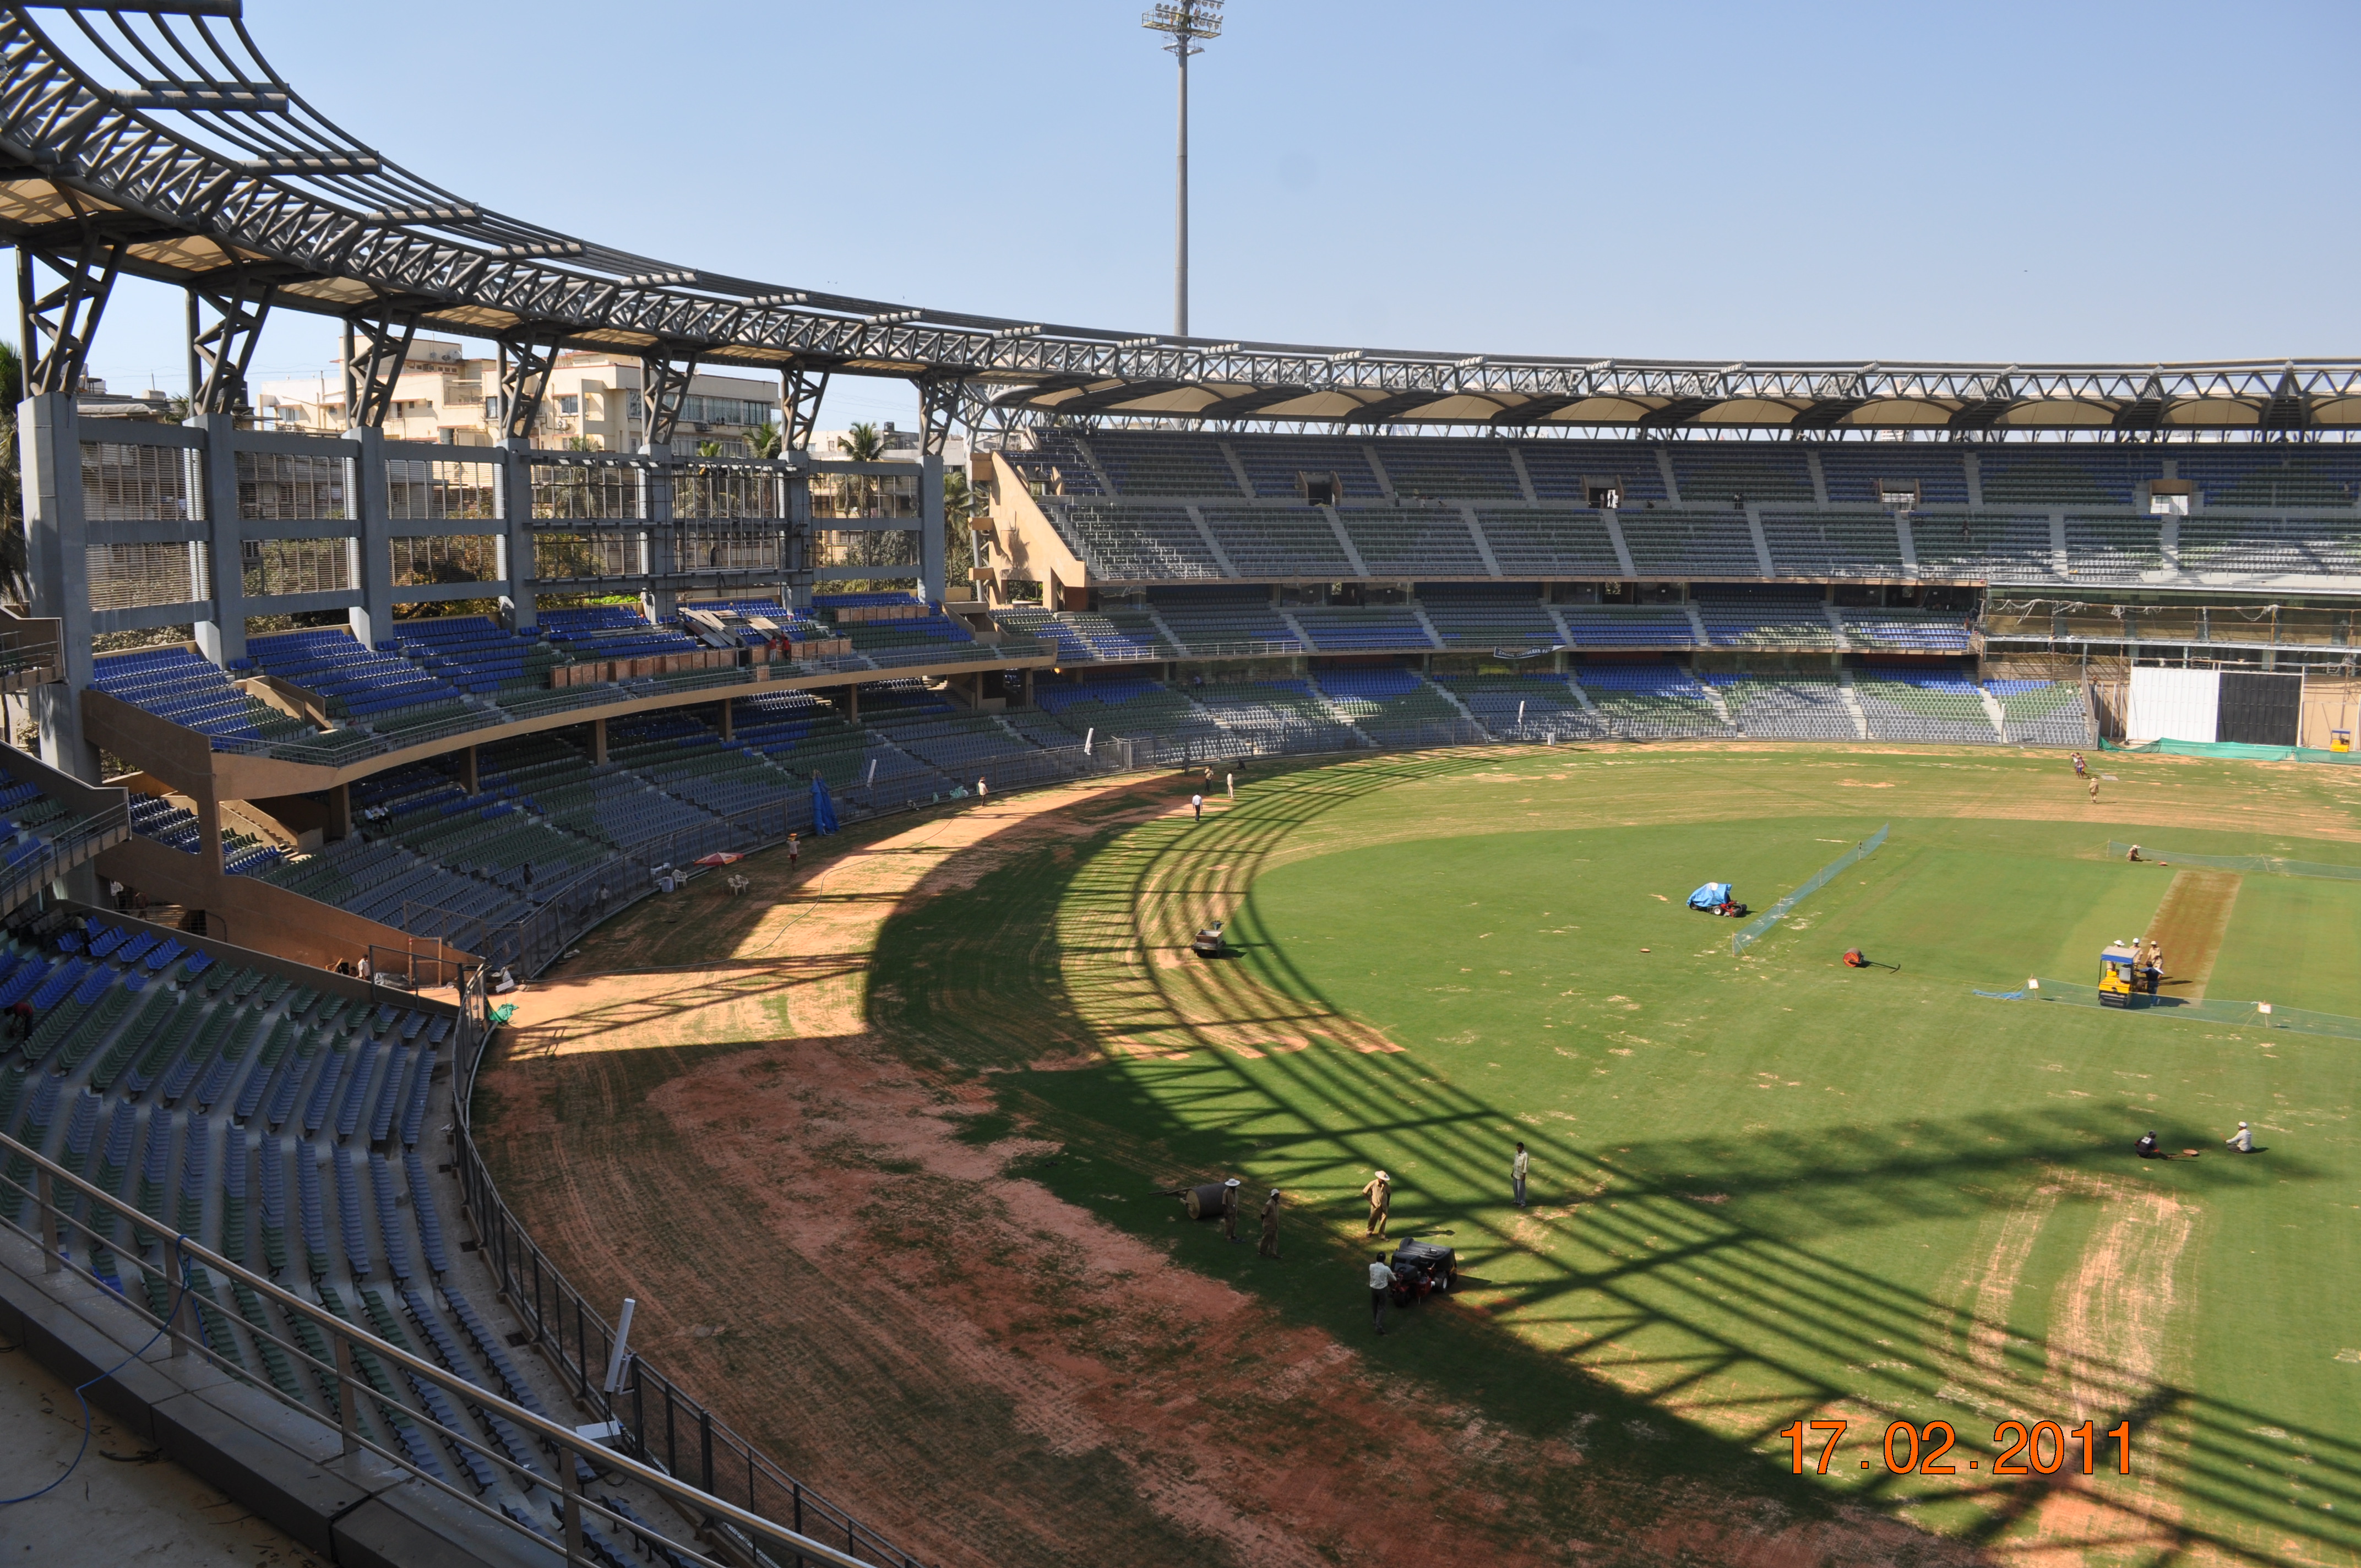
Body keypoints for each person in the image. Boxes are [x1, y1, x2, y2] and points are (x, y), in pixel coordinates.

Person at [1361, 1170, 1392, 1237]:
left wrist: (1388, 1202)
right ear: (1379, 1178)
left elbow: (1389, 1193)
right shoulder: (1373, 1184)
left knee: (1384, 1220)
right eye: (1382, 1179)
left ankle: (1382, 1235)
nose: (1383, 1181)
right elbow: (1364, 1192)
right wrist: (1370, 1201)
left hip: (1384, 1205)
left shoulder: (1385, 1185)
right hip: (1375, 1205)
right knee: (1373, 1218)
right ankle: (1369, 1231)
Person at [1369, 1254, 1393, 1335]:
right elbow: (1393, 1278)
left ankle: (1375, 1321)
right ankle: (1378, 1326)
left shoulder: (1371, 1266)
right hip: (1382, 1290)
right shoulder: (1386, 1269)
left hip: (1373, 1289)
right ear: (1384, 1259)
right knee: (1382, 1307)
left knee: (1375, 1305)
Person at [1259, 1188, 1282, 1258]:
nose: (1278, 1196)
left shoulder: (1276, 1204)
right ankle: (1262, 1251)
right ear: (1273, 1196)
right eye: (1277, 1195)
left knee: (1275, 1239)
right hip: (1269, 1225)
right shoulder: (1269, 1204)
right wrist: (1264, 1223)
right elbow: (1263, 1215)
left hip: (1275, 1225)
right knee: (1266, 1238)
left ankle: (1274, 1253)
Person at [1221, 1177, 1241, 1243]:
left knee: (1234, 1223)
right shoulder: (1226, 1193)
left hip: (1234, 1210)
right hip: (1229, 1211)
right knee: (1229, 1225)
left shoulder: (1235, 1192)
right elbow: (1224, 1203)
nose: (1235, 1187)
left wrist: (1237, 1209)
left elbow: (1236, 1201)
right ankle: (1228, 1237)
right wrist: (1225, 1213)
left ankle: (1233, 1235)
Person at [1512, 1141, 1529, 1208]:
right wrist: (1512, 1172)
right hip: (1515, 1173)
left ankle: (1523, 1203)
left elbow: (1525, 1166)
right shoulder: (1516, 1154)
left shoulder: (1525, 1155)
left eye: (1519, 1149)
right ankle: (1517, 1200)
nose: (1518, 1150)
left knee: (1521, 1189)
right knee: (1515, 1188)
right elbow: (1515, 1164)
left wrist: (1524, 1175)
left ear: (1522, 1148)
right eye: (1517, 1148)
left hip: (1521, 1175)